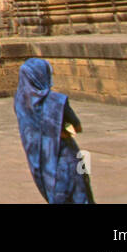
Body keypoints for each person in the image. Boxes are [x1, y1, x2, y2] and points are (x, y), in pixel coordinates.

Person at [13, 58, 94, 203]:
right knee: (77, 195)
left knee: (55, 195)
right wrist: (61, 131)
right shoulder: (57, 101)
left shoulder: (20, 103)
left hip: (41, 160)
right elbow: (77, 127)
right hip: (65, 157)